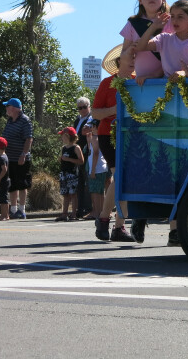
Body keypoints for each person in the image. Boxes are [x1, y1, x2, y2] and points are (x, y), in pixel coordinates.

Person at [91, 53, 137, 243]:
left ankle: (118, 226)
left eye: (137, 56)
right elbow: (95, 112)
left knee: (126, 179)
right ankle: (104, 219)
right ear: (119, 61)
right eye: (130, 56)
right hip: (108, 135)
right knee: (119, 176)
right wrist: (114, 109)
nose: (134, 59)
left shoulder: (138, 82)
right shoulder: (107, 83)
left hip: (132, 135)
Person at [120, 0, 172, 85]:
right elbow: (124, 57)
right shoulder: (132, 23)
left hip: (168, 80)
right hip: (141, 82)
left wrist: (155, 75)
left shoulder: (172, 21)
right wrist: (129, 51)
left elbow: (177, 53)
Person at [1, 98, 34, 219]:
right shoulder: (10, 121)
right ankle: (13, 210)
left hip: (21, 158)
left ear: (14, 108)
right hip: (10, 158)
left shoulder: (24, 120)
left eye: (7, 106)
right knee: (12, 184)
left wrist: (23, 154)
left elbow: (28, 138)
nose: (6, 109)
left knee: (22, 184)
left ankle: (22, 210)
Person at [55, 127, 84, 221]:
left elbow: (81, 161)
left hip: (72, 173)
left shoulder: (76, 147)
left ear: (68, 136)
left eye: (63, 136)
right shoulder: (64, 148)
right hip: (64, 173)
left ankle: (74, 213)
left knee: (73, 194)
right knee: (65, 194)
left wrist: (68, 159)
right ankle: (64, 213)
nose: (62, 138)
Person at [72, 96, 94, 218]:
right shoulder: (78, 120)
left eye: (84, 107)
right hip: (78, 153)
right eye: (79, 108)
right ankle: (80, 208)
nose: (82, 110)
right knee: (80, 181)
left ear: (89, 106)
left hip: (88, 152)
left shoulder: (92, 118)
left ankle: (88, 208)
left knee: (88, 180)